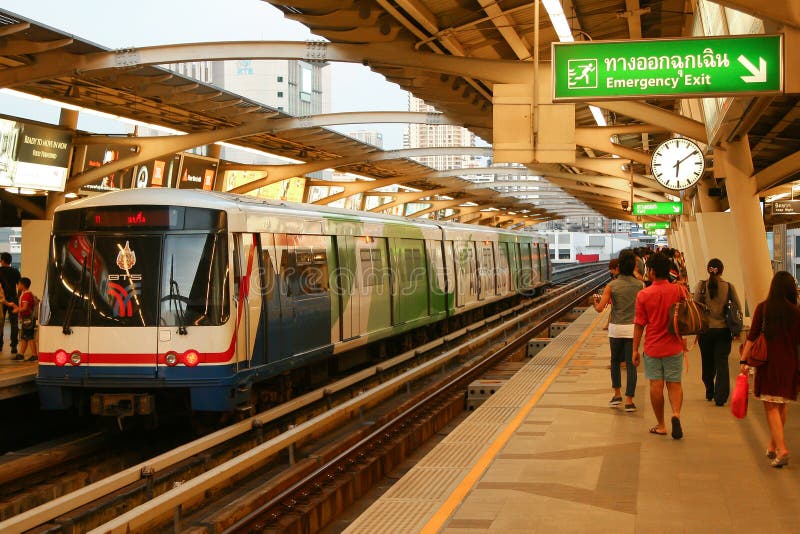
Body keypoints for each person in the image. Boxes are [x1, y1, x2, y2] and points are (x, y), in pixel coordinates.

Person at [740, 271, 800, 468]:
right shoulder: (796, 312)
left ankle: (782, 449)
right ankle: (773, 445)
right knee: (781, 404)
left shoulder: (764, 308)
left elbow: (752, 336)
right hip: (790, 363)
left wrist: (744, 360)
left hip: (769, 363)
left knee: (771, 405)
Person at [632, 252, 685, 439]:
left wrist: (634, 349)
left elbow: (639, 324)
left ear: (652, 272)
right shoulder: (678, 291)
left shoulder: (644, 294)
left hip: (653, 347)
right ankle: (676, 414)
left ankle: (661, 425)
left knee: (656, 385)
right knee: (674, 383)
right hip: (674, 345)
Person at [593, 250, 644, 411]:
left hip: (616, 329)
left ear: (620, 266)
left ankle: (616, 395)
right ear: (633, 266)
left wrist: (595, 303)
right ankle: (629, 400)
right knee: (631, 364)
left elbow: (600, 308)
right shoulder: (639, 285)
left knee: (615, 361)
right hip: (632, 329)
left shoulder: (612, 285)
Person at [693, 259, 742, 406]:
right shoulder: (729, 287)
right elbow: (738, 307)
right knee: (722, 363)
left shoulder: (701, 286)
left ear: (708, 269)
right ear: (722, 270)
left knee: (707, 362)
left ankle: (709, 389)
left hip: (705, 331)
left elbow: (695, 306)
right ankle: (721, 397)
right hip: (723, 331)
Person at [12, 277, 37, 362]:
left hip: (28, 319)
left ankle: (34, 355)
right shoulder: (28, 294)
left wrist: (17, 310)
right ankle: (21, 354)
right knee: (24, 337)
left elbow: (25, 307)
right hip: (27, 319)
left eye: (18, 284)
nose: (17, 286)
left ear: (22, 285)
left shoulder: (26, 295)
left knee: (29, 337)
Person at [0, 252, 20, 354]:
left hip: (1, 300)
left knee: (0, 323)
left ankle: (0, 345)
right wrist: (18, 297)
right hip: (13, 299)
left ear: (2, 261)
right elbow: (19, 286)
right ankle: (14, 346)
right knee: (14, 323)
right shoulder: (15, 271)